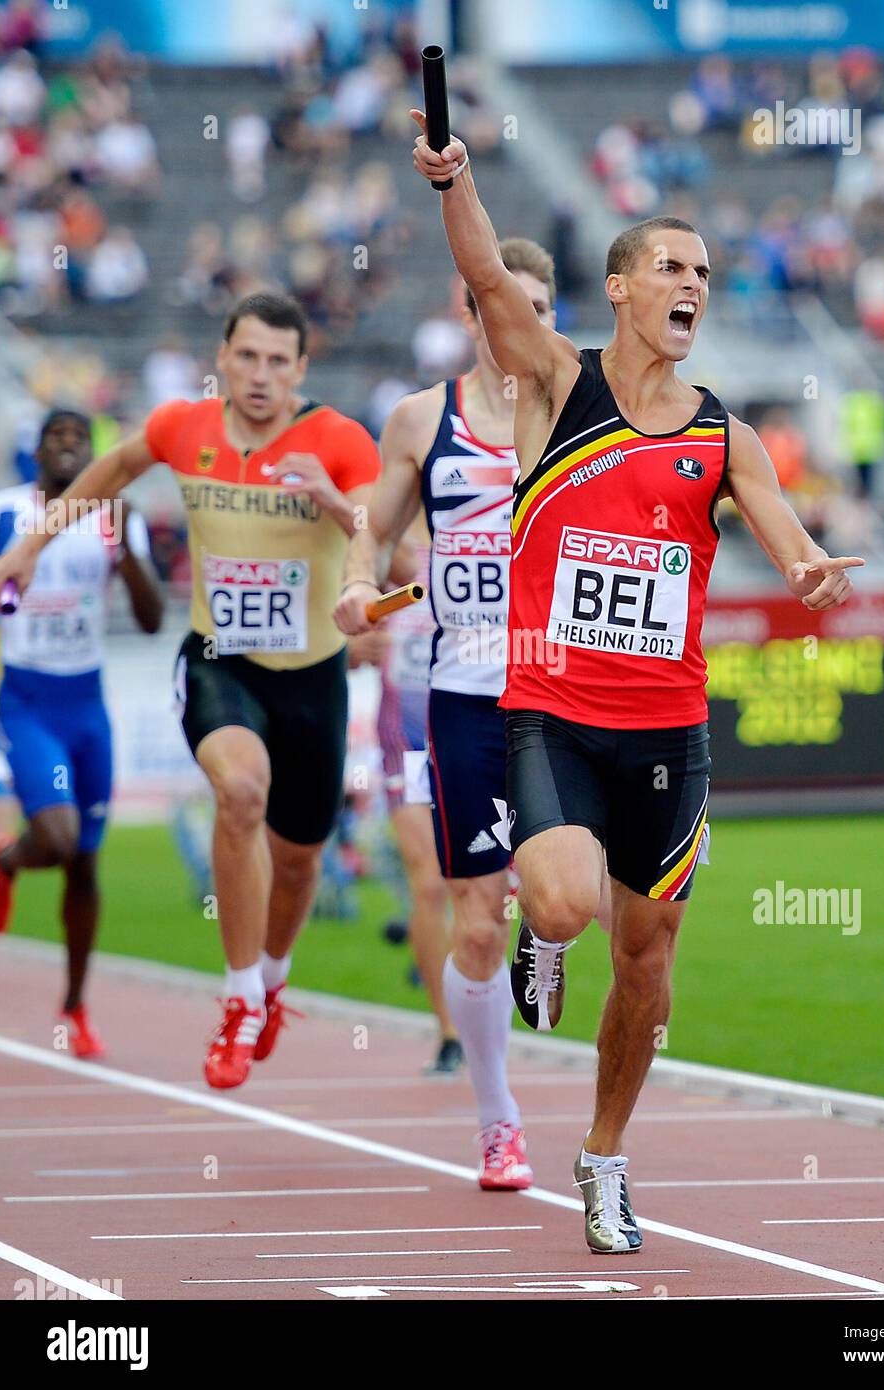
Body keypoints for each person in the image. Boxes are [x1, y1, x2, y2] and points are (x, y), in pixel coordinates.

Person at [409, 115, 863, 1253]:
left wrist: (807, 571)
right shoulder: (552, 388)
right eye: (670, 265)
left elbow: (786, 537)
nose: (691, 284)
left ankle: (602, 1154)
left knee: (647, 962)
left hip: (667, 732)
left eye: (703, 273)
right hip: (551, 709)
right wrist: (455, 180)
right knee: (560, 900)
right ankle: (540, 940)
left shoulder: (724, 435)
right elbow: (480, 273)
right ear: (616, 287)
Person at [0, 292, 397, 1090]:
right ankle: (241, 997)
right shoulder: (187, 426)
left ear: (300, 369)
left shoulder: (336, 439)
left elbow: (377, 527)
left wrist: (344, 543)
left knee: (298, 859)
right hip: (219, 661)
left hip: (312, 678)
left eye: (277, 361)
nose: (259, 375)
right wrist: (34, 544)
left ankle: (275, 983)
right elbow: (112, 471)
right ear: (222, 358)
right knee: (240, 792)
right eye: (245, 356)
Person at [335, 238, 559, 1192]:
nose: (530, 322)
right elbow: (375, 530)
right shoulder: (424, 420)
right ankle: (496, 1117)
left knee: (561, 899)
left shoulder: (590, 419)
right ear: (471, 310)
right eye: (511, 303)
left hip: (566, 693)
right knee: (477, 922)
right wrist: (354, 589)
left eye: (544, 307)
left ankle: (548, 937)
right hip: (465, 696)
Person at [0, 409, 163, 1055]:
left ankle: (75, 1006)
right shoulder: (8, 511)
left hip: (89, 706)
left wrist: (123, 553)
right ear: (35, 451)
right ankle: (11, 858)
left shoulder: (115, 516)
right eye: (56, 437)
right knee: (59, 837)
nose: (68, 445)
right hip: (29, 701)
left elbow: (151, 620)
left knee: (86, 864)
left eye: (79, 439)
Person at [372, 508, 460, 1074]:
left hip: (478, 725)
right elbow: (359, 604)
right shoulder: (392, 536)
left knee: (489, 886)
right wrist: (363, 626)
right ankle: (449, 1032)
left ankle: (479, 985)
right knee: (428, 883)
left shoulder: (497, 515)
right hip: (407, 739)